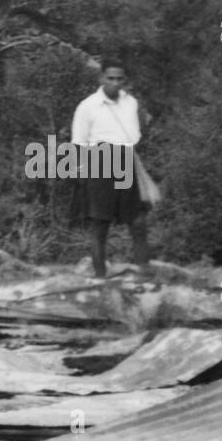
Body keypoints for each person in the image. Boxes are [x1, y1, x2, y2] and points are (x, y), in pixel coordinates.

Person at [71, 61, 152, 279]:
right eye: (110, 78)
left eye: (119, 79)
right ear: (101, 79)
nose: (115, 83)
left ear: (124, 80)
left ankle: (144, 273)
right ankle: (100, 277)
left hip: (126, 159)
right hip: (100, 161)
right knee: (100, 224)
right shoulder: (87, 106)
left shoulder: (131, 103)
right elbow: (79, 142)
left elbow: (135, 134)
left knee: (137, 221)